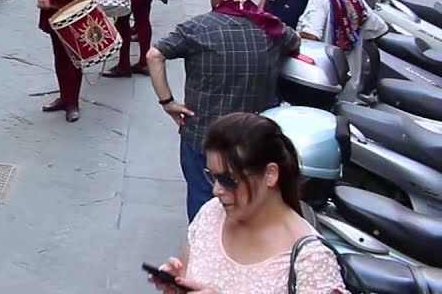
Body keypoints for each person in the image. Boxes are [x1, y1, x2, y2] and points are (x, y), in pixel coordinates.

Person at [146, 0, 300, 221]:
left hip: (204, 135)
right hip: (253, 138)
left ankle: (205, 249)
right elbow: (294, 42)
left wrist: (168, 102)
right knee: (248, 200)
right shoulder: (271, 28)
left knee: (203, 201)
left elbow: (154, 55)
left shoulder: (197, 28)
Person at [148, 113, 348, 294]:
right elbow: (188, 265)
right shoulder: (212, 213)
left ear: (270, 175)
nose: (216, 190)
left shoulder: (312, 261)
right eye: (213, 177)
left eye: (228, 180)